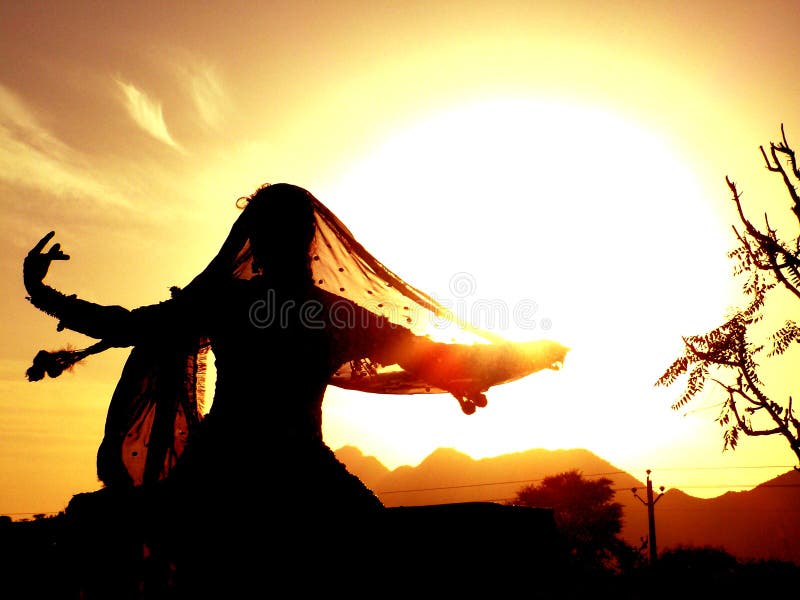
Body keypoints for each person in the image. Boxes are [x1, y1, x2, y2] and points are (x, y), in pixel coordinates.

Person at [23, 183, 569, 596]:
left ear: (255, 244)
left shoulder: (234, 304)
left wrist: (42, 292)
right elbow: (445, 357)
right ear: (310, 243)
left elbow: (128, 326)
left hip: (221, 479)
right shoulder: (332, 315)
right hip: (285, 477)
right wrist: (530, 356)